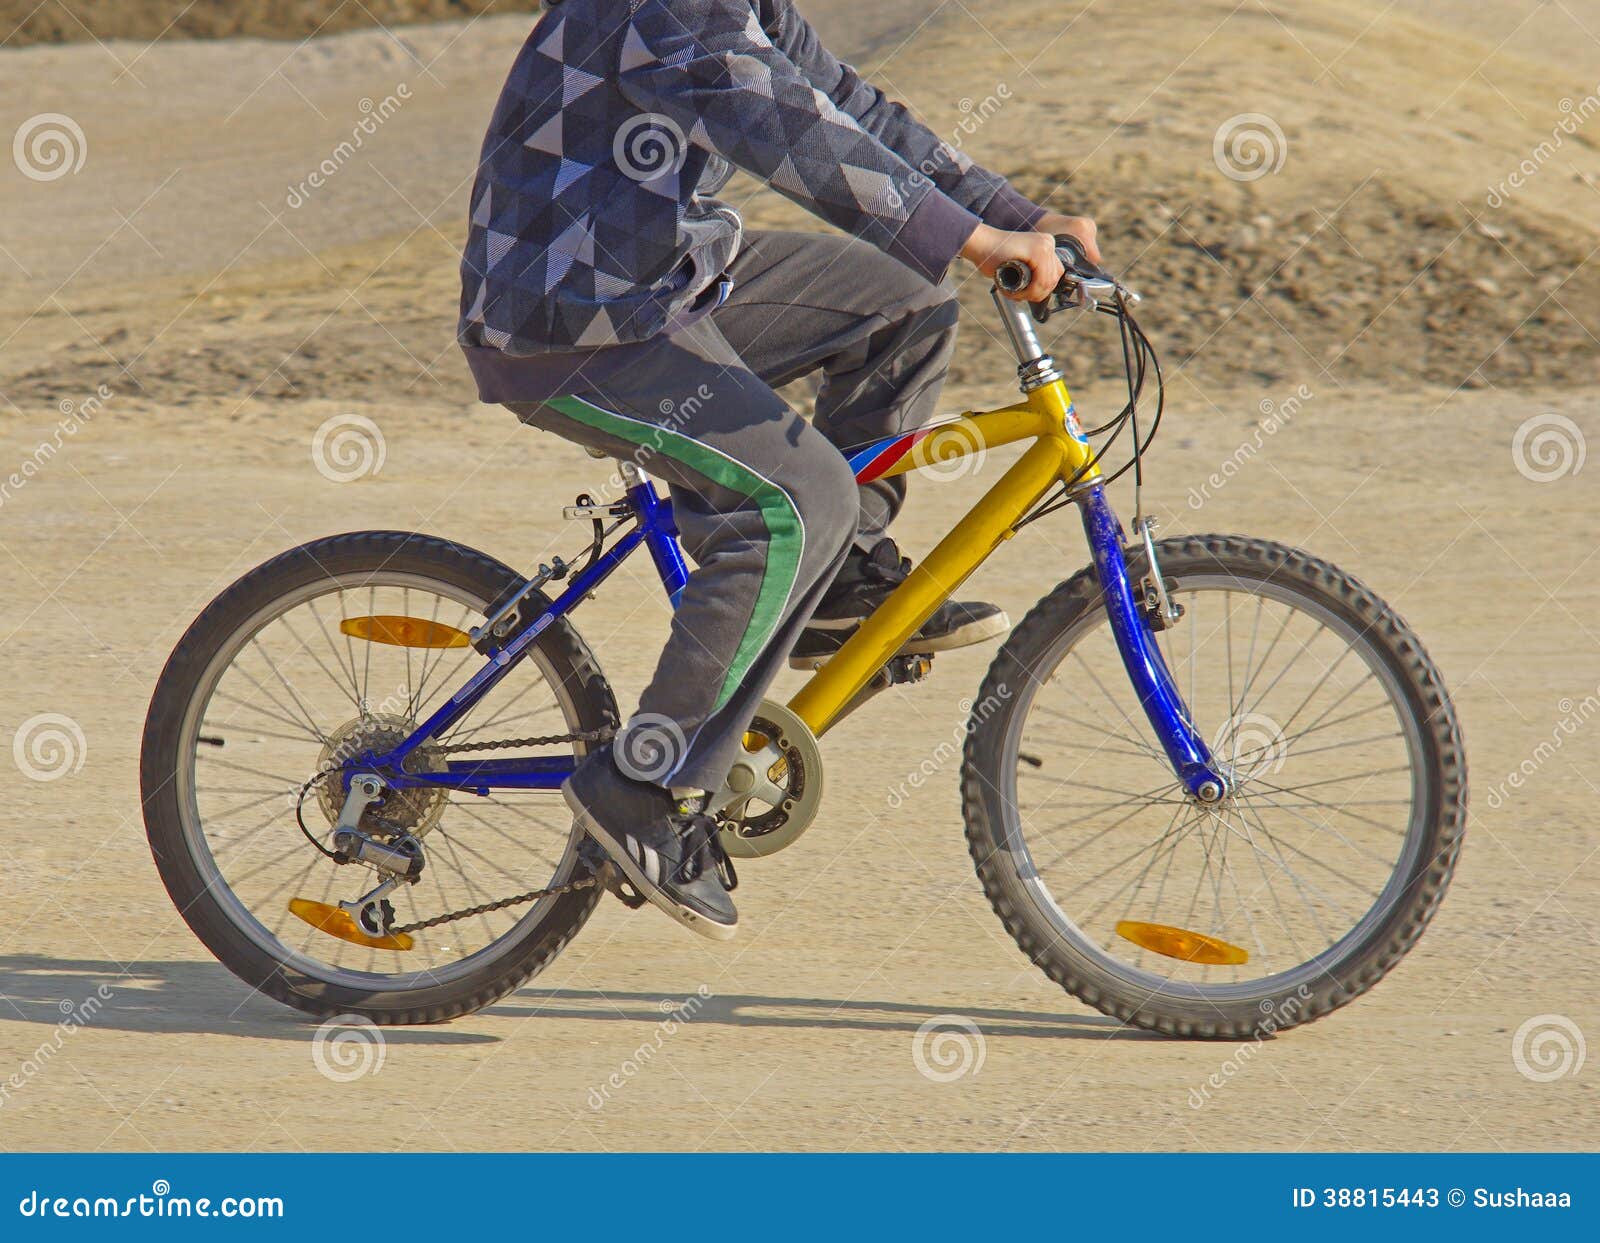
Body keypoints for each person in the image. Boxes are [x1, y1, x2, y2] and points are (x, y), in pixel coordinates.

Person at [457, 0, 1099, 940]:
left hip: (662, 283)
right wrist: (979, 243)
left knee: (904, 306)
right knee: (798, 499)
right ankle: (647, 782)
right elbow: (784, 131)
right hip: (566, 319)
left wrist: (1014, 214)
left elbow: (841, 105)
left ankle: (839, 579)